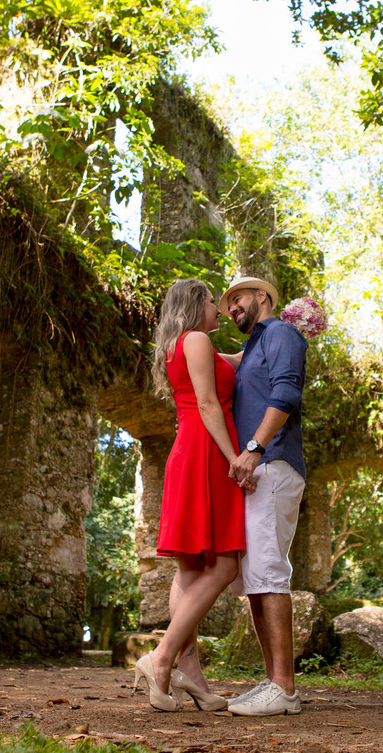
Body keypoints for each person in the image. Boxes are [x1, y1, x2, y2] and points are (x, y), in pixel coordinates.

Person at [133, 278, 252, 712]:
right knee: (224, 564)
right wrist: (235, 458)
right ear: (195, 303)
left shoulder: (180, 345)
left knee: (189, 568)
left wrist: (279, 327)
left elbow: (238, 359)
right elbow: (207, 404)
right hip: (207, 451)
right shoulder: (197, 340)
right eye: (213, 301)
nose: (219, 309)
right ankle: (162, 656)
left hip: (188, 450)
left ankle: (188, 674)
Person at [219, 275, 309, 717]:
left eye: (237, 298)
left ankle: (285, 688)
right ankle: (274, 680)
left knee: (269, 571)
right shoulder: (253, 346)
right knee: (256, 576)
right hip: (256, 470)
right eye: (226, 304)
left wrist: (254, 448)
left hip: (273, 463)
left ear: (262, 296)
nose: (232, 308)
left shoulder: (281, 333)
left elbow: (287, 391)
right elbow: (218, 359)